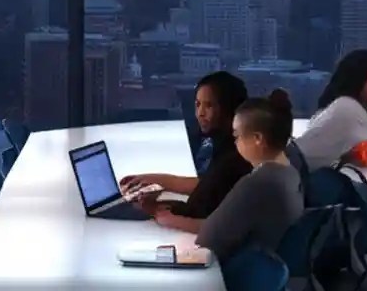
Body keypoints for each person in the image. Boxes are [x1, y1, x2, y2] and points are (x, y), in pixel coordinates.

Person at [121, 71, 253, 229]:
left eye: (209, 105)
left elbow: (205, 214)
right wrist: (157, 181)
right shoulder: (227, 146)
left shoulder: (234, 157)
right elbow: (209, 187)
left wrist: (154, 211)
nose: (200, 113)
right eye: (198, 104)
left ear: (229, 109)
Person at [190, 89, 305, 259]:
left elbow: (208, 238)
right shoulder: (291, 170)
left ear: (257, 138)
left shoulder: (258, 183)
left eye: (237, 136)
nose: (236, 143)